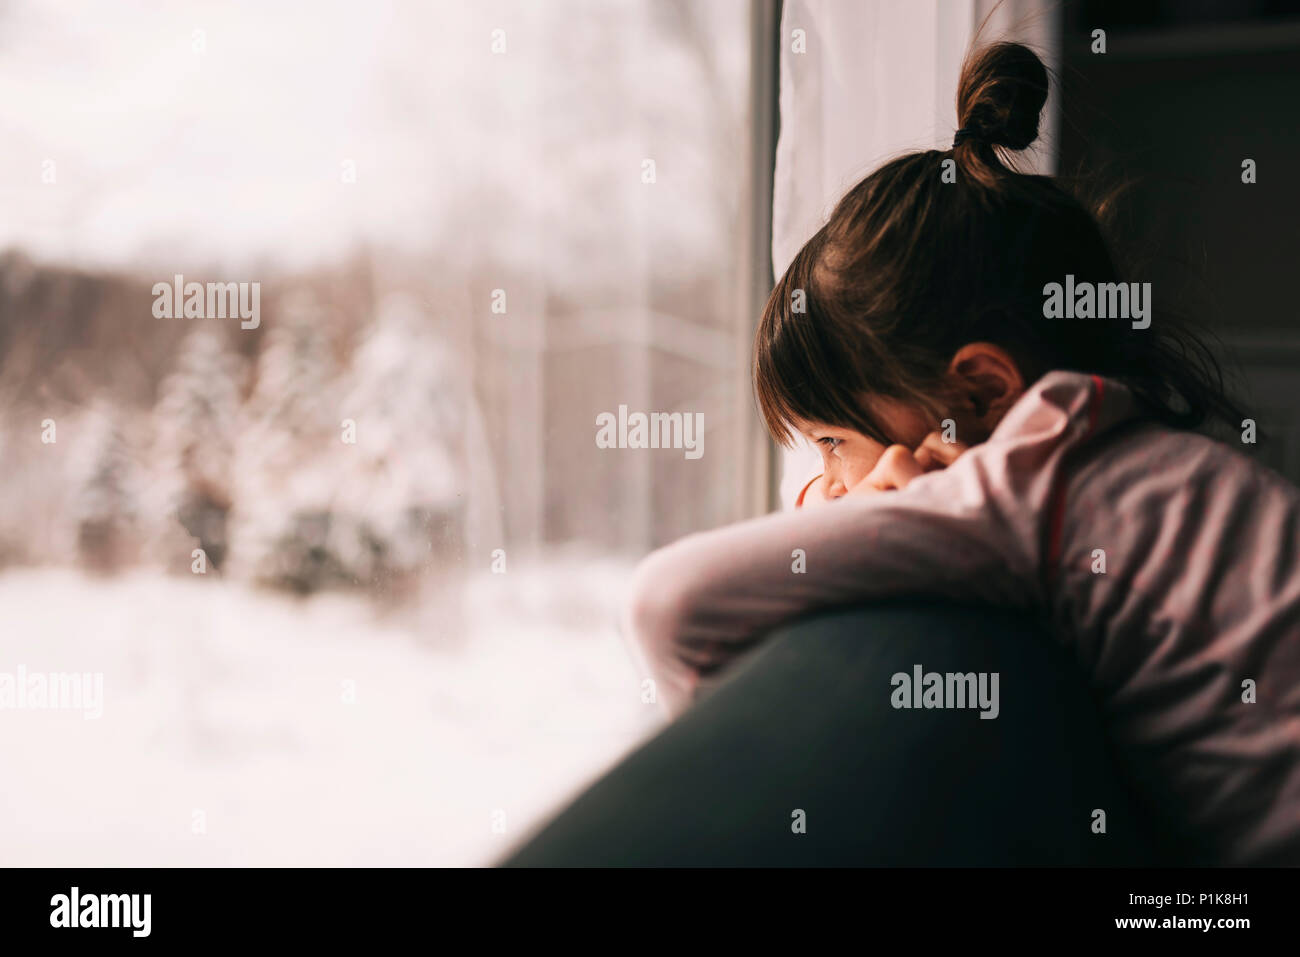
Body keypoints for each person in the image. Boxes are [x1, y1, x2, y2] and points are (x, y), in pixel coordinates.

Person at [623, 42, 1300, 866]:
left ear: (980, 392)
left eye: (834, 444)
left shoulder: (1029, 474)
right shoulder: (1139, 452)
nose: (821, 489)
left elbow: (666, 603)